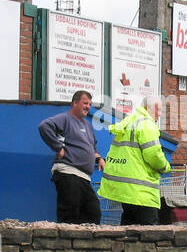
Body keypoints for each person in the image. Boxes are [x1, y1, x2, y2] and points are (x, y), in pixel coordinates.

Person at [98, 96, 171, 225]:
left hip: (125, 188)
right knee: (150, 231)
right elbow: (153, 154)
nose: (160, 114)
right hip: (141, 190)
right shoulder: (147, 124)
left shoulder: (130, 121)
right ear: (148, 108)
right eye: (158, 110)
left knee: (128, 226)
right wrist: (165, 166)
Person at [38, 90, 104, 224]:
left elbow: (93, 147)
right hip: (68, 172)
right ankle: (65, 243)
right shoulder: (65, 118)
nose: (88, 107)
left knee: (93, 211)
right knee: (69, 214)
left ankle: (85, 244)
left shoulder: (87, 125)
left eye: (90, 104)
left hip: (84, 177)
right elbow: (44, 126)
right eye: (85, 103)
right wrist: (58, 147)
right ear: (75, 103)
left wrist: (98, 158)